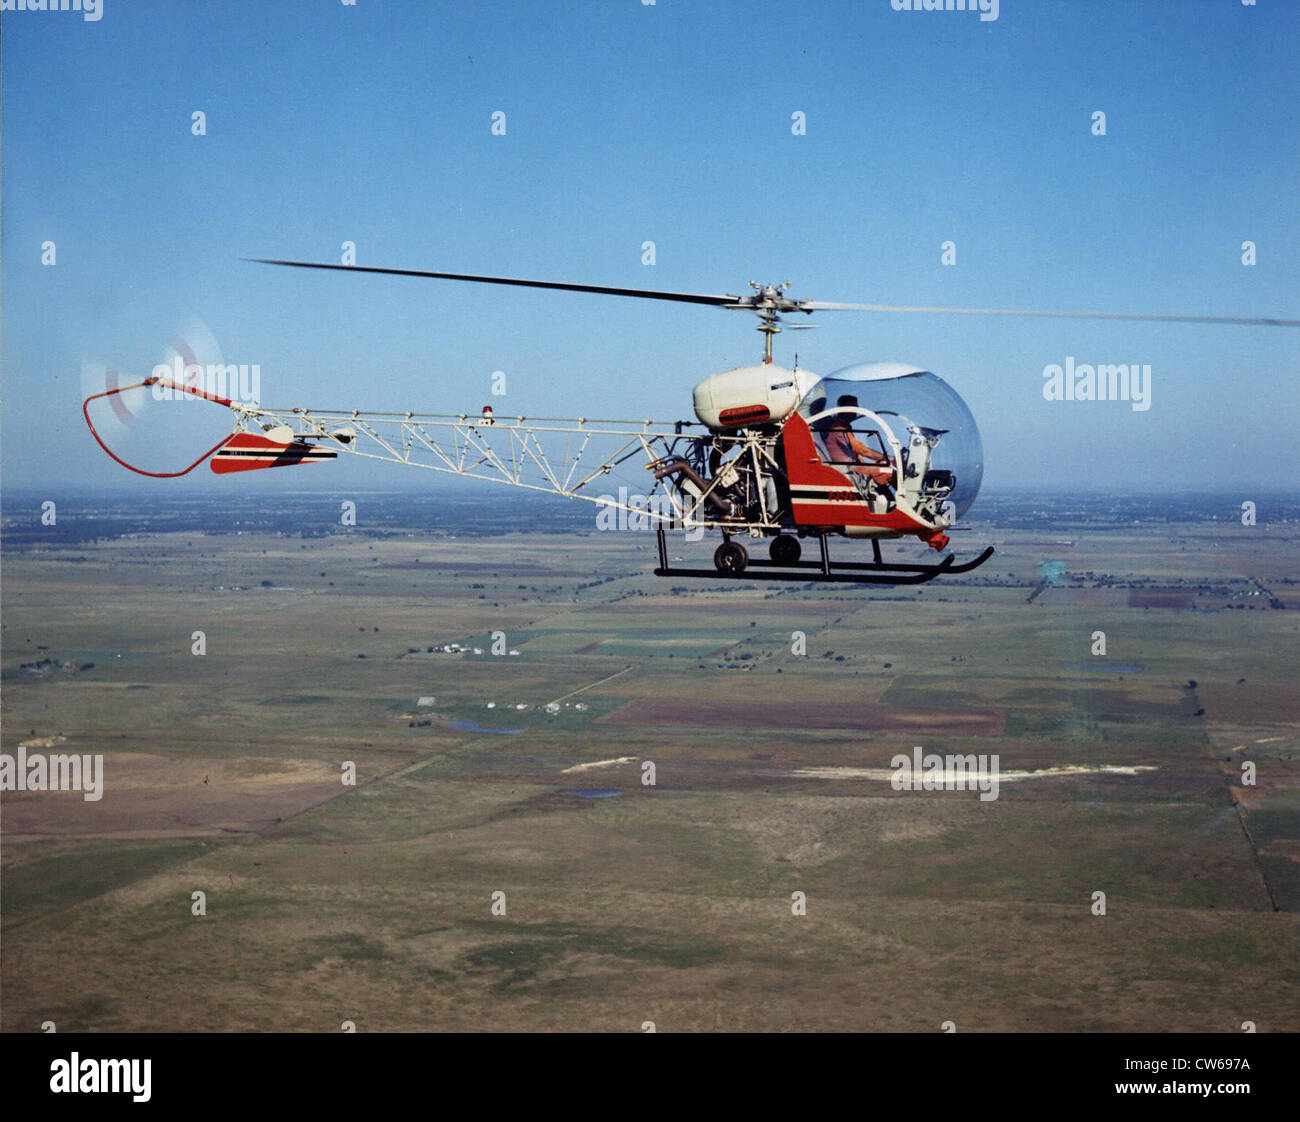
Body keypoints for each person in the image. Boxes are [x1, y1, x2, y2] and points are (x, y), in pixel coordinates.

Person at [821, 395, 894, 497]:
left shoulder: (844, 426)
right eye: (851, 408)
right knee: (889, 471)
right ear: (843, 409)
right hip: (847, 469)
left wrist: (881, 460)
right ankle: (902, 503)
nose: (855, 412)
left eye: (856, 408)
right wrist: (885, 457)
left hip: (852, 466)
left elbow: (857, 450)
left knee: (884, 465)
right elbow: (862, 450)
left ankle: (886, 499)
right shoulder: (839, 428)